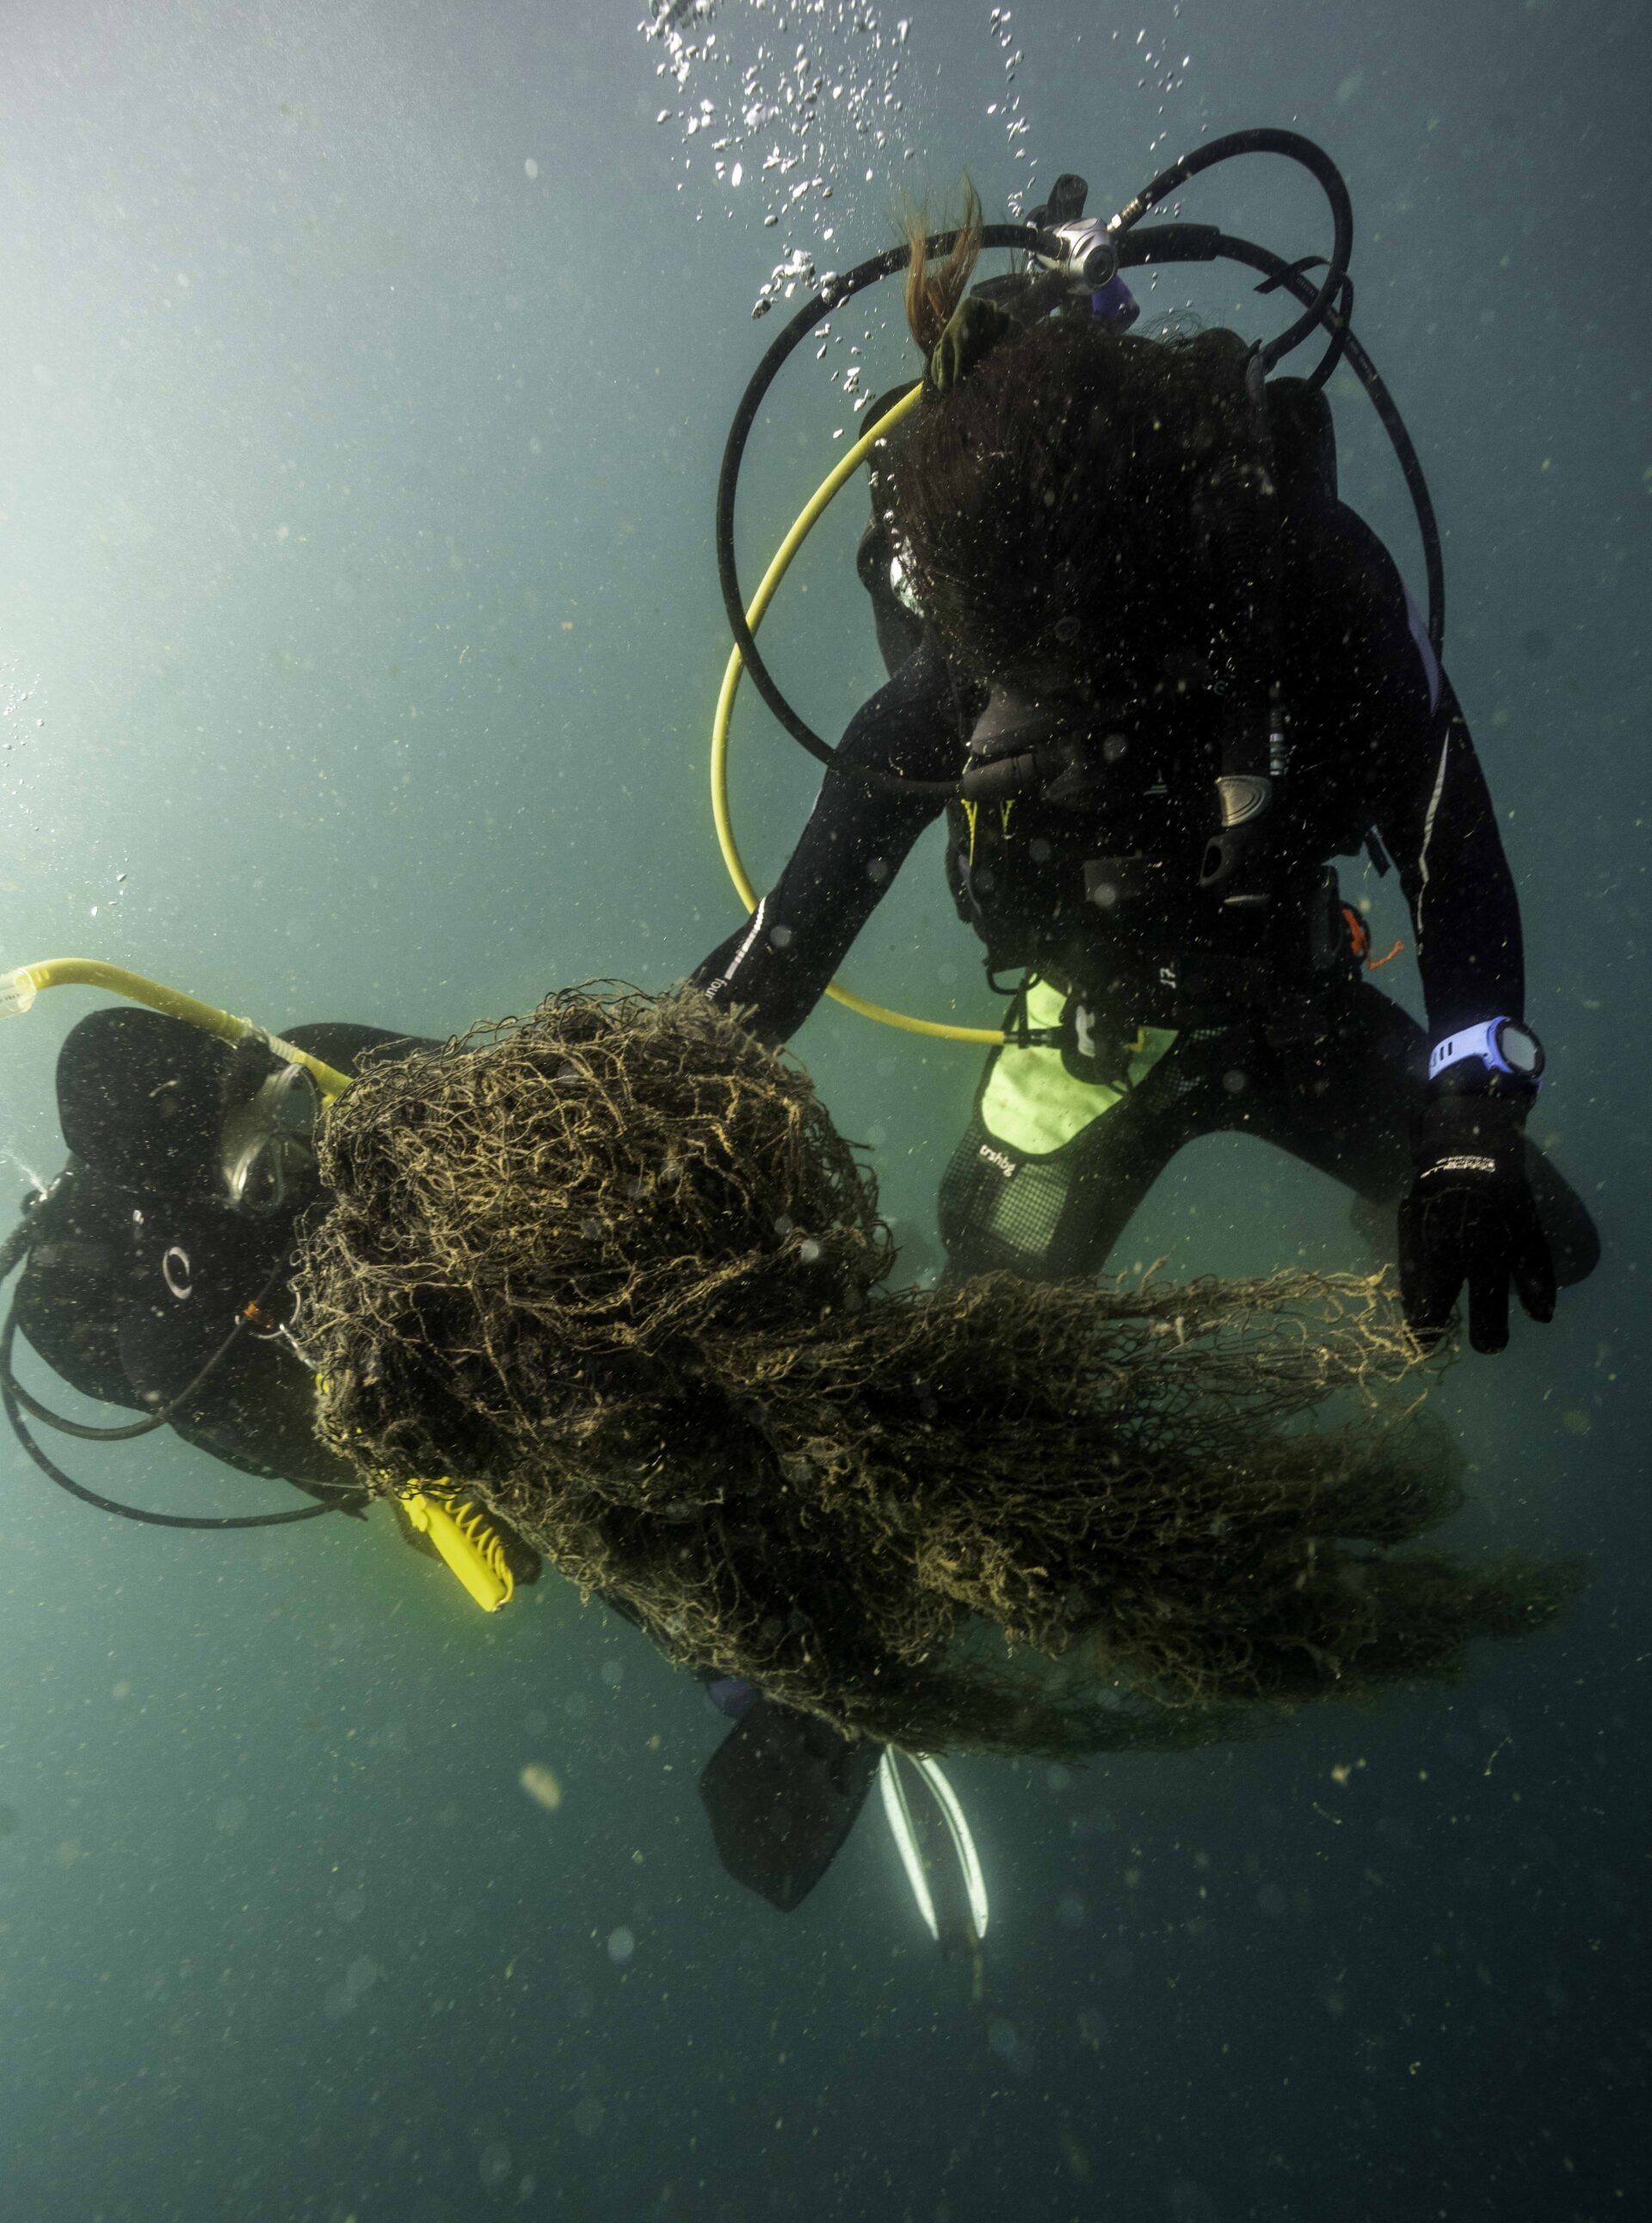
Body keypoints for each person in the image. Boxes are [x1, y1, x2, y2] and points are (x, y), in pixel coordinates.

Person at [692, 191, 1599, 1352]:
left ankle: (1400, 1214)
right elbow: (776, 962)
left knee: (1551, 1242)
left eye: (1077, 662)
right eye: (1011, 662)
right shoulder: (955, 672)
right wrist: (613, 1113)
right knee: (993, 1330)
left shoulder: (1313, 582)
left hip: (1293, 1007)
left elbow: (1450, 851)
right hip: (1082, 1039)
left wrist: (1471, 1114)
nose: (1054, 696)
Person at [0, 1000, 978, 1929]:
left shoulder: (316, 1060)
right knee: (558, 1478)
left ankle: (839, 1445)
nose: (295, 1134)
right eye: (263, 1155)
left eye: (280, 1098)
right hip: (342, 1384)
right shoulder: (167, 1338)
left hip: (463, 1271)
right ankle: (760, 1674)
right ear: (191, 1191)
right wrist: (426, 1493)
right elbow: (329, 1452)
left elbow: (523, 1104)